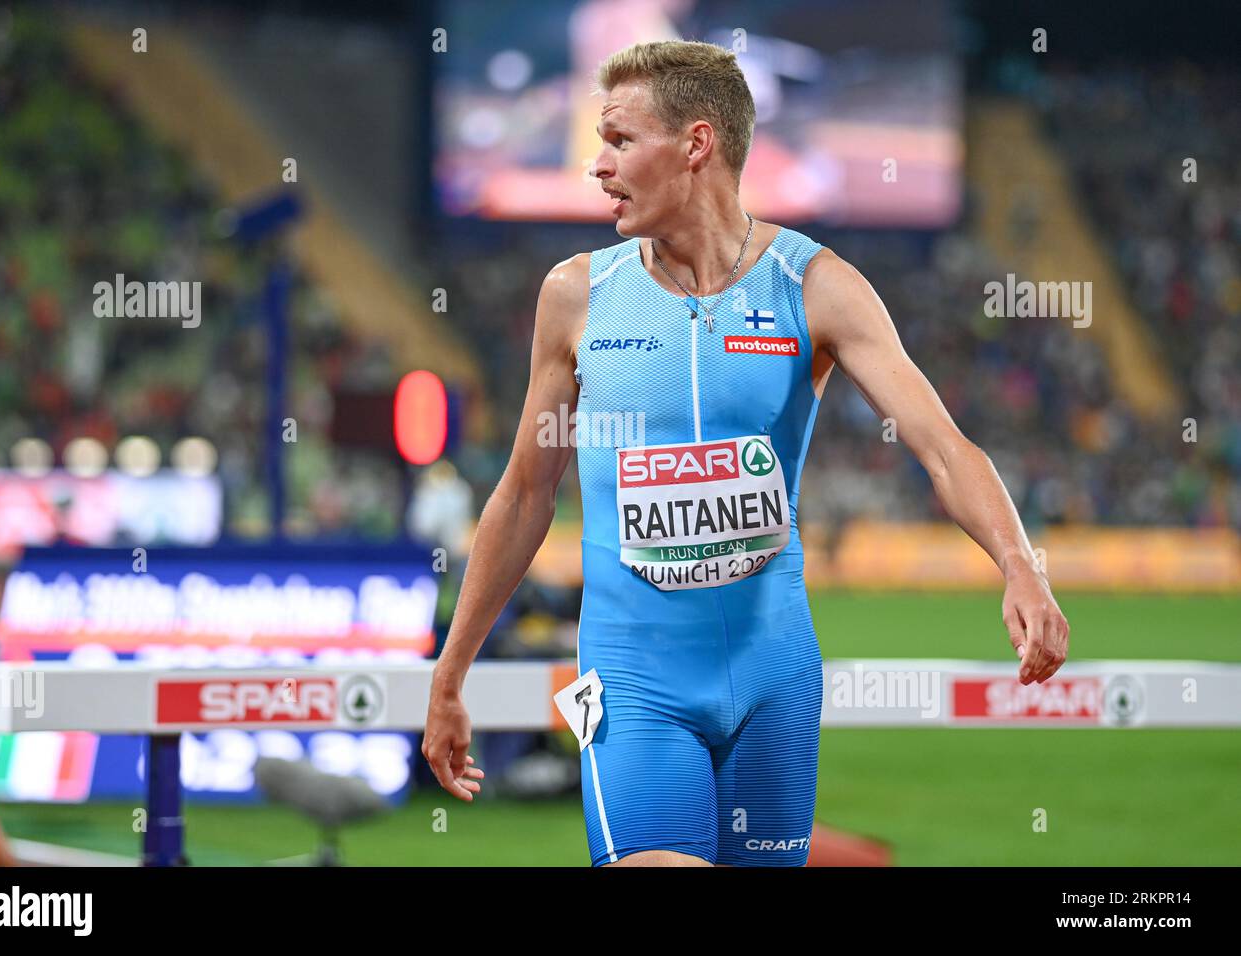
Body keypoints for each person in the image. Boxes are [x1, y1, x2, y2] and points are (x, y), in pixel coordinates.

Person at [423, 40, 1069, 867]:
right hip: (633, 680)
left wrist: (1020, 563)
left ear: (695, 145)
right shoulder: (577, 295)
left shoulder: (815, 286)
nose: (596, 166)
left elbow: (943, 449)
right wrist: (452, 670)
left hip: (776, 679)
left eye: (620, 141)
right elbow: (522, 496)